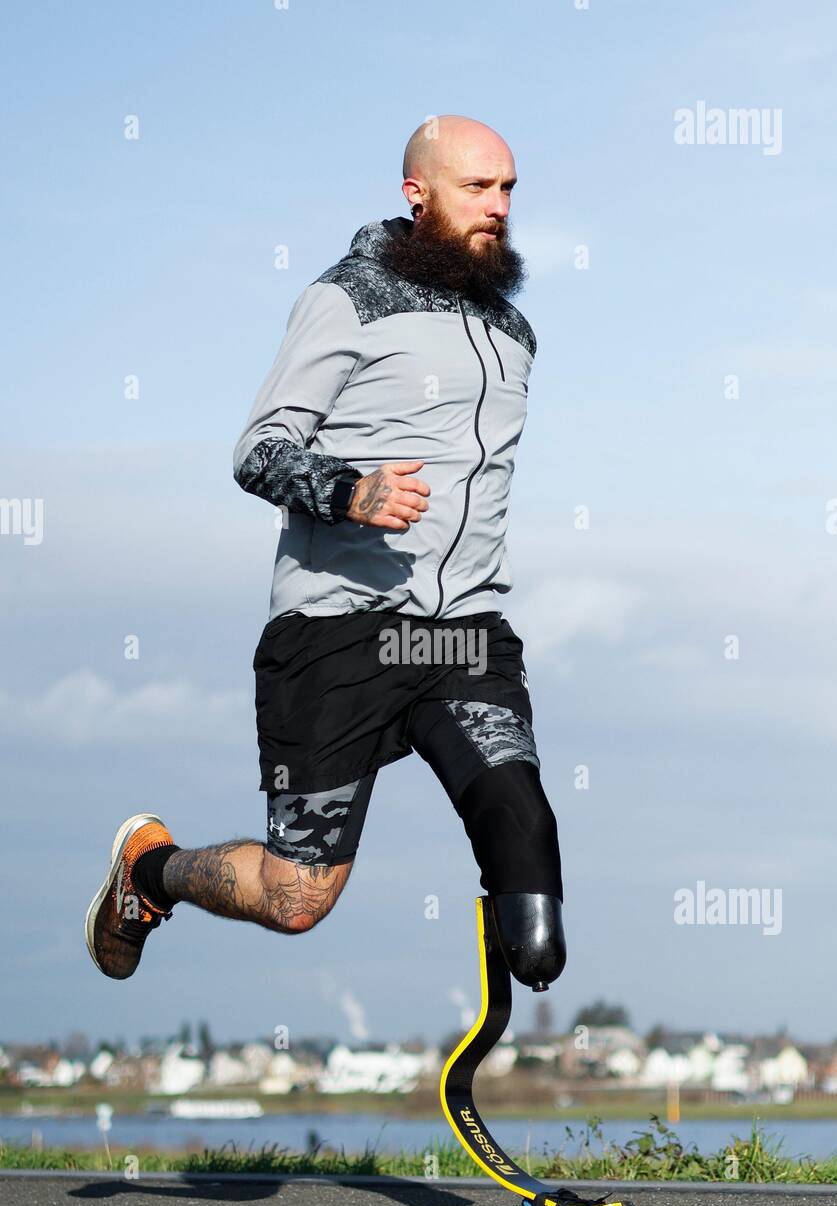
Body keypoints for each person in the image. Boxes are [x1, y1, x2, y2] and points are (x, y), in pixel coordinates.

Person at [85, 114, 566, 995]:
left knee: (530, 884)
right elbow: (258, 451)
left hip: (464, 635)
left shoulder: (512, 329)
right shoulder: (347, 297)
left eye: (507, 189)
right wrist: (350, 491)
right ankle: (148, 873)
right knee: (296, 897)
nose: (497, 206)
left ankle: (512, 1037)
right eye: (475, 187)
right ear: (416, 193)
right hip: (338, 630)